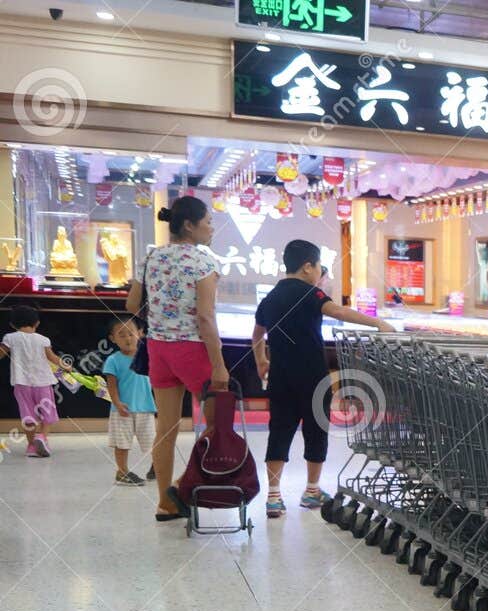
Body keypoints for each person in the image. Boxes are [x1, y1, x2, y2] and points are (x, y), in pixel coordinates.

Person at [251, 239, 393, 519]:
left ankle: (274, 496)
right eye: (318, 267)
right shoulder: (311, 295)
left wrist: (261, 361)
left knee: (279, 430)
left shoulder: (269, 298)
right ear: (307, 267)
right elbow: (338, 312)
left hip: (280, 376)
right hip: (313, 376)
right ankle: (312, 489)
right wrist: (377, 322)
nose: (319, 273)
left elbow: (257, 335)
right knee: (316, 430)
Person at [125, 195, 226, 522]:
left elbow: (131, 305)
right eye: (208, 221)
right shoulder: (204, 262)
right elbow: (206, 319)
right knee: (218, 425)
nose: (211, 228)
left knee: (165, 430)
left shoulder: (151, 258)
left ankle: (164, 502)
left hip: (158, 348)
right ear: (189, 225)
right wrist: (220, 364)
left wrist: (162, 316)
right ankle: (183, 487)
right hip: (194, 350)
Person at [1, 304, 66, 458]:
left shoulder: (10, 338)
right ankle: (42, 437)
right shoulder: (43, 340)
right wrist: (67, 367)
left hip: (22, 383)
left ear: (12, 324)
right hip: (43, 382)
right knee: (47, 412)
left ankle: (31, 447)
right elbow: (52, 358)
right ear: (37, 323)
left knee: (28, 415)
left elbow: (1, 353)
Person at [99, 317, 156, 486]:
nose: (127, 338)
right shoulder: (113, 360)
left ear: (140, 333)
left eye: (131, 333)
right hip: (122, 409)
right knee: (122, 443)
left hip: (145, 407)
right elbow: (111, 385)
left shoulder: (148, 356)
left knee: (152, 442)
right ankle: (122, 472)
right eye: (121, 335)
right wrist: (117, 403)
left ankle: (156, 467)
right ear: (113, 339)